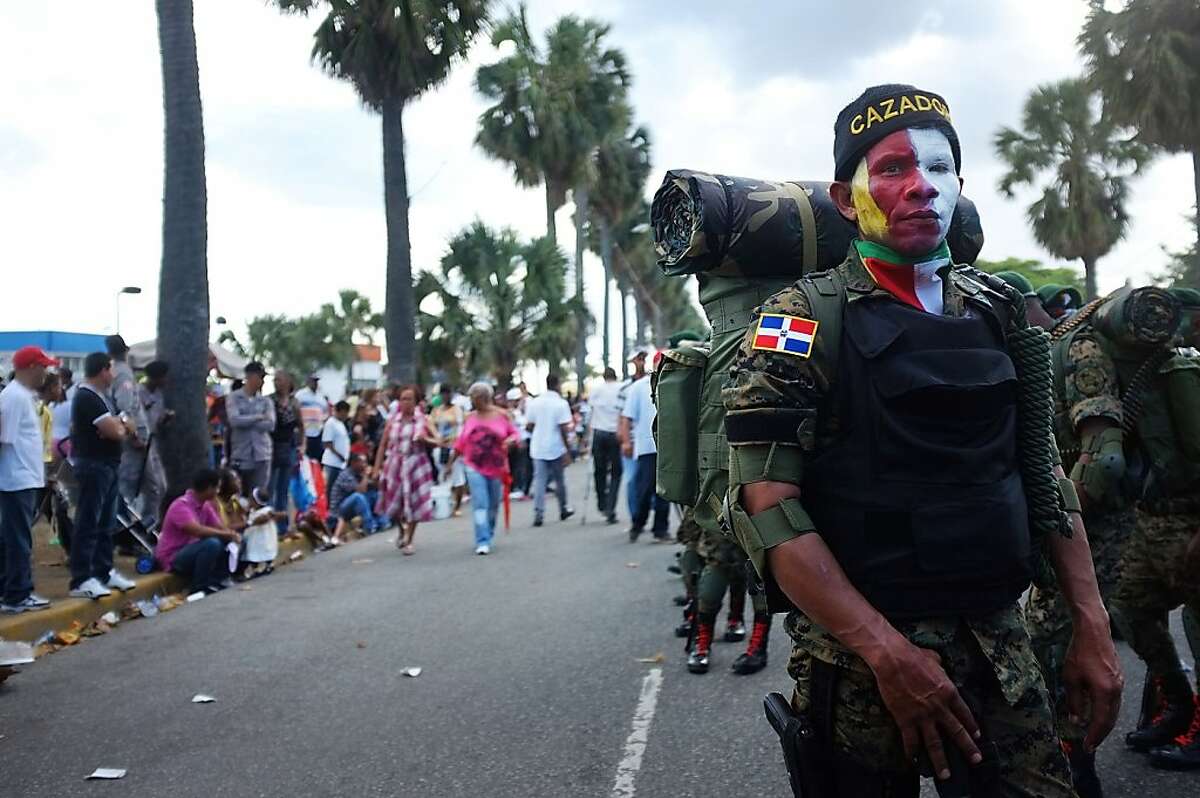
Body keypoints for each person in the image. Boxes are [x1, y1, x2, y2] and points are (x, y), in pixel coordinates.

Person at [720, 84, 1120, 795]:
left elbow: (1043, 472)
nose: (922, 186)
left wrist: (1091, 623)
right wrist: (886, 652)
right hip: (861, 669)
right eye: (893, 168)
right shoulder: (798, 320)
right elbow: (768, 507)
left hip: (1000, 646)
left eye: (939, 168)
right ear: (847, 200)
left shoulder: (998, 309)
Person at [1097, 287, 1200, 769]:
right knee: (1131, 608)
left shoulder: (1181, 372)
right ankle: (1179, 703)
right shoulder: (1146, 372)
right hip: (1155, 516)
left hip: (1191, 515)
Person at [69, 351, 138, 599]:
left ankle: (103, 571)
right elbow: (115, 431)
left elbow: (118, 426)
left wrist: (119, 425)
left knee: (106, 524)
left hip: (107, 466)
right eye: (111, 369)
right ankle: (81, 578)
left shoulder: (101, 397)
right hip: (94, 466)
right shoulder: (87, 397)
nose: (114, 374)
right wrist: (121, 426)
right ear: (103, 370)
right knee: (89, 522)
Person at [0, 346, 58, 614]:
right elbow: (4, 439)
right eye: (43, 367)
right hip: (17, 479)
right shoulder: (14, 397)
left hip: (22, 478)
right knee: (18, 539)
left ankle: (12, 590)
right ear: (32, 367)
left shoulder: (21, 396)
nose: (45, 372)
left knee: (14, 537)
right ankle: (17, 594)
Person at [446, 382, 521, 555]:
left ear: (484, 398)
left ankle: (489, 531)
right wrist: (451, 463)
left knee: (493, 504)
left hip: (496, 467)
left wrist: (511, 441)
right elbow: (461, 442)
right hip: (474, 466)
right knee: (480, 503)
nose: (472, 401)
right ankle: (482, 540)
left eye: (474, 397)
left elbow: (515, 434)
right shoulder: (470, 418)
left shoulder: (501, 415)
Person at [155, 469, 240, 594]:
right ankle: (199, 585)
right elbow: (197, 530)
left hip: (192, 550)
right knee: (212, 544)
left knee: (225, 540)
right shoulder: (181, 506)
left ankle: (219, 579)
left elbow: (219, 526)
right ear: (209, 488)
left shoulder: (205, 505)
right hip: (173, 557)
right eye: (217, 488)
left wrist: (232, 535)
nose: (218, 492)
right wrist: (225, 534)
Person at [375, 386, 437, 555]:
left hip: (416, 463)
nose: (406, 402)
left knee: (414, 501)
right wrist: (376, 468)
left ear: (416, 402)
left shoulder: (423, 420)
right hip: (395, 463)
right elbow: (383, 445)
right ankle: (401, 529)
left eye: (409, 399)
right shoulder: (392, 421)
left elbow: (438, 440)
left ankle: (409, 539)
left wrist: (426, 439)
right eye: (403, 399)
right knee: (393, 501)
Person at [620, 367, 668, 541]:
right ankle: (638, 524)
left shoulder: (669, 382)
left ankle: (660, 529)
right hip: (646, 446)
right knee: (645, 489)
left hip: (666, 447)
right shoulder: (639, 387)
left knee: (665, 490)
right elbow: (627, 417)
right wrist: (626, 441)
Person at [107, 335, 151, 515]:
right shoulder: (123, 373)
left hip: (127, 434)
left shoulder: (112, 371)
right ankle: (123, 522)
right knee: (128, 484)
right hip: (132, 437)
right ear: (126, 351)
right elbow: (125, 408)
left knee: (145, 485)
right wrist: (134, 437)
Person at [525, 374, 574, 527]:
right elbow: (564, 428)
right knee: (559, 479)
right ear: (557, 384)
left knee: (540, 480)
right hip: (555, 446)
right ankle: (563, 507)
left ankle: (538, 513)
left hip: (538, 446)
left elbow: (529, 425)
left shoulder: (535, 402)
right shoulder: (561, 404)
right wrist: (567, 449)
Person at [226, 362, 275, 495]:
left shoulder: (266, 401)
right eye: (260, 377)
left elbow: (270, 424)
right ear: (250, 377)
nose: (262, 381)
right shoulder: (234, 397)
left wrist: (246, 420)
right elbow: (234, 421)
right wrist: (258, 417)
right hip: (241, 453)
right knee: (238, 494)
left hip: (262, 454)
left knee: (259, 494)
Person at [135, 361, 171, 528]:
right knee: (152, 487)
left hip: (153, 444)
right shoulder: (138, 393)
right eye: (164, 377)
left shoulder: (159, 395)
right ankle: (144, 524)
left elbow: (157, 423)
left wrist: (165, 419)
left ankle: (150, 523)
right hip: (140, 445)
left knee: (161, 486)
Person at [269, 370, 302, 536]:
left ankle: (282, 527)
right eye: (275, 380)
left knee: (283, 488)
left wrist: (302, 445)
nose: (277, 383)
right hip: (272, 447)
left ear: (288, 382)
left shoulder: (294, 402)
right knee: (270, 488)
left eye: (280, 380)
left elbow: (301, 426)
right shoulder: (270, 400)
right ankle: (269, 525)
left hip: (288, 447)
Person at [589, 368, 623, 525]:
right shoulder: (621, 388)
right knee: (616, 472)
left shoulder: (596, 390)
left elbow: (591, 411)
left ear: (604, 377)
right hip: (615, 433)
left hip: (599, 432)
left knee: (599, 470)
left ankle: (601, 502)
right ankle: (611, 508)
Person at [327, 454, 384, 544]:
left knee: (374, 494)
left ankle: (383, 521)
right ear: (354, 463)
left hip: (352, 506)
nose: (365, 464)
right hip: (340, 509)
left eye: (366, 462)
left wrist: (376, 476)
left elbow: (376, 487)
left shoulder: (359, 473)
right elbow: (361, 490)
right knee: (358, 497)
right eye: (362, 462)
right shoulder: (345, 475)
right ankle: (370, 526)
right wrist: (365, 475)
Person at [618, 351, 647, 521]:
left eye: (643, 358)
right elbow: (621, 417)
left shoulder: (653, 383)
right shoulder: (625, 388)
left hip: (648, 442)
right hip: (632, 440)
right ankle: (635, 518)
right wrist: (625, 441)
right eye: (638, 359)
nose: (641, 362)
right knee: (631, 480)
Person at [432, 384, 467, 517]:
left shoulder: (457, 410)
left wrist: (459, 445)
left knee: (458, 476)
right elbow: (432, 425)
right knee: (444, 475)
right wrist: (437, 438)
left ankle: (457, 505)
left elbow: (460, 428)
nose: (446, 396)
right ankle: (447, 502)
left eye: (448, 393)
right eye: (444, 394)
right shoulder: (437, 411)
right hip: (441, 446)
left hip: (454, 446)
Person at [296, 374, 330, 462]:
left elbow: (326, 412)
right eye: (313, 381)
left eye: (316, 381)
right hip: (304, 432)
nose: (314, 383)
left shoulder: (321, 397)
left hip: (317, 432)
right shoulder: (300, 395)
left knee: (315, 458)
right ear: (308, 381)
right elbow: (295, 409)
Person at [321, 400, 352, 498]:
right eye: (346, 412)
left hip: (340, 464)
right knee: (329, 489)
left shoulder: (341, 424)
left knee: (336, 491)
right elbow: (327, 443)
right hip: (332, 463)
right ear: (341, 411)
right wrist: (340, 456)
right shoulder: (331, 423)